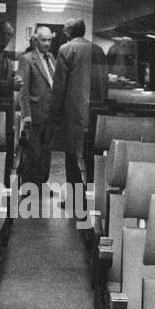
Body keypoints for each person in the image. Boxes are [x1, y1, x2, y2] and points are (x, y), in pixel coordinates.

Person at [48, 18, 108, 194]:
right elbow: (104, 82)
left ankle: (75, 198)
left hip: (73, 111)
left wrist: (53, 114)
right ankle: (93, 195)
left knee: (72, 155)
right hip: (96, 111)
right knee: (92, 155)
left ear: (68, 32)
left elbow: (59, 85)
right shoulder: (98, 50)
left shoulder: (66, 49)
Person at [16, 26, 56, 185]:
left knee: (46, 154)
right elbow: (23, 90)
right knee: (33, 154)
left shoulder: (51, 58)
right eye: (43, 40)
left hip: (50, 114)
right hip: (34, 114)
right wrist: (26, 115)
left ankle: (41, 184)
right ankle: (28, 188)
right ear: (36, 40)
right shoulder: (26, 59)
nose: (47, 43)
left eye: (49, 40)